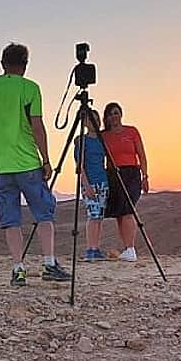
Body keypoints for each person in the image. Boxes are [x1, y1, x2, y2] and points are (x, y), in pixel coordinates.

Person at [0, 43, 71, 287]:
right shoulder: (30, 88)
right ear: (25, 64)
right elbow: (37, 126)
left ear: (3, 63)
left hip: (0, 165)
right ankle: (49, 263)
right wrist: (46, 159)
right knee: (44, 212)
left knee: (10, 218)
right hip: (27, 163)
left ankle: (18, 268)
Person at [100, 102, 149, 262]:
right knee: (119, 213)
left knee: (128, 210)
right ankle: (127, 247)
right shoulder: (104, 135)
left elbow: (141, 154)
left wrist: (145, 176)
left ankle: (131, 248)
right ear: (106, 118)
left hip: (131, 173)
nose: (114, 117)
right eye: (110, 114)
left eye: (116, 113)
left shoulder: (131, 131)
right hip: (113, 174)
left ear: (121, 114)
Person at [76, 109, 109, 261]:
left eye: (96, 119)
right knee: (92, 215)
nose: (94, 122)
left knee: (99, 216)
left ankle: (96, 247)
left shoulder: (102, 139)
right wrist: (86, 184)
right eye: (91, 119)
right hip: (90, 182)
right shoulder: (81, 140)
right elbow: (79, 165)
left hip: (103, 180)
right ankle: (90, 248)